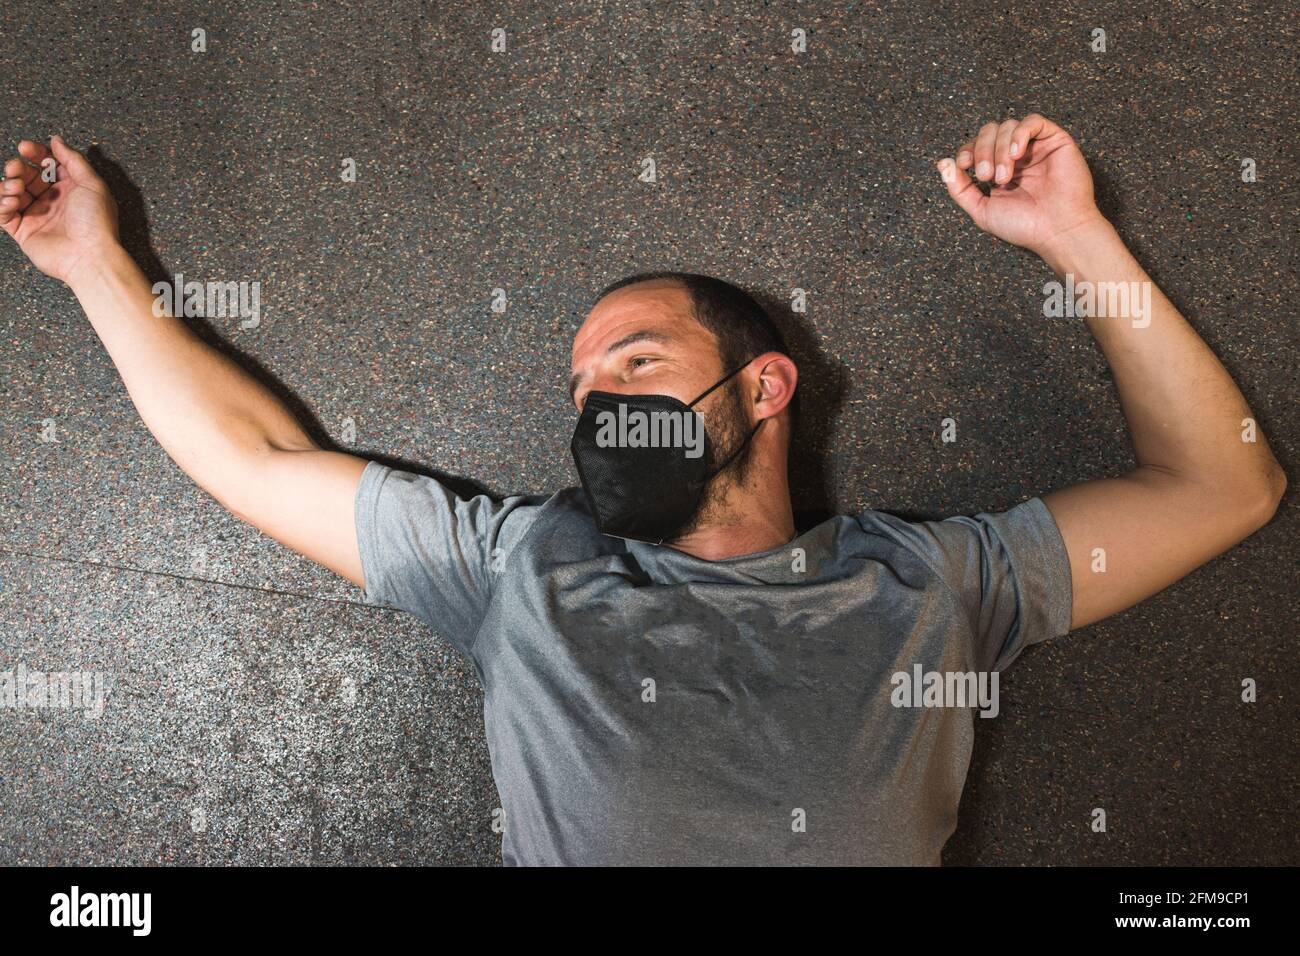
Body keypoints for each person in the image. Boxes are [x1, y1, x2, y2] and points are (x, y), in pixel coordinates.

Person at [2, 115, 1284, 865]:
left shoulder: (931, 585)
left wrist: (1074, 239)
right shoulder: (524, 566)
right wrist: (94, 270)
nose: (595, 406)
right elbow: (253, 461)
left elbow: (1220, 483)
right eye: (578, 385)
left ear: (765, 388)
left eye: (635, 361)